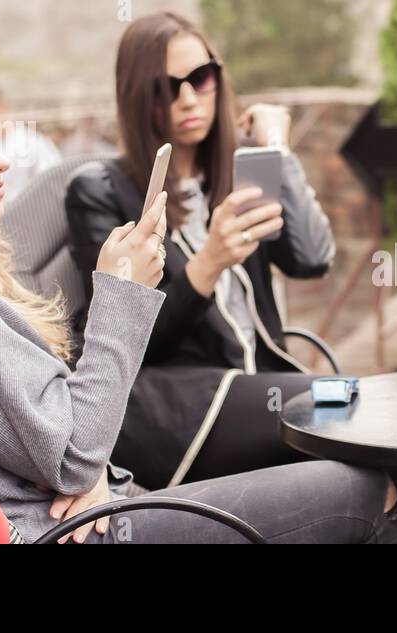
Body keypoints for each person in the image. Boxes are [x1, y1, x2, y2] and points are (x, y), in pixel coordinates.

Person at [0, 54, 397, 544]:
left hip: (80, 507)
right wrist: (122, 293)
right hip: (86, 526)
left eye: (205, 79)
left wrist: (88, 474)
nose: (0, 157)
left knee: (345, 424)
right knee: (365, 485)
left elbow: (47, 440)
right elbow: (71, 455)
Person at [65, 11, 336, 489]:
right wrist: (209, 263)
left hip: (262, 386)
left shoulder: (235, 178)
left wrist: (277, 150)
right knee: (344, 401)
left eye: (200, 78)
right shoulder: (102, 191)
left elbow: (312, 259)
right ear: (139, 97)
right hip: (184, 409)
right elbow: (131, 339)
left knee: (365, 446)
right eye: (168, 87)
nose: (188, 99)